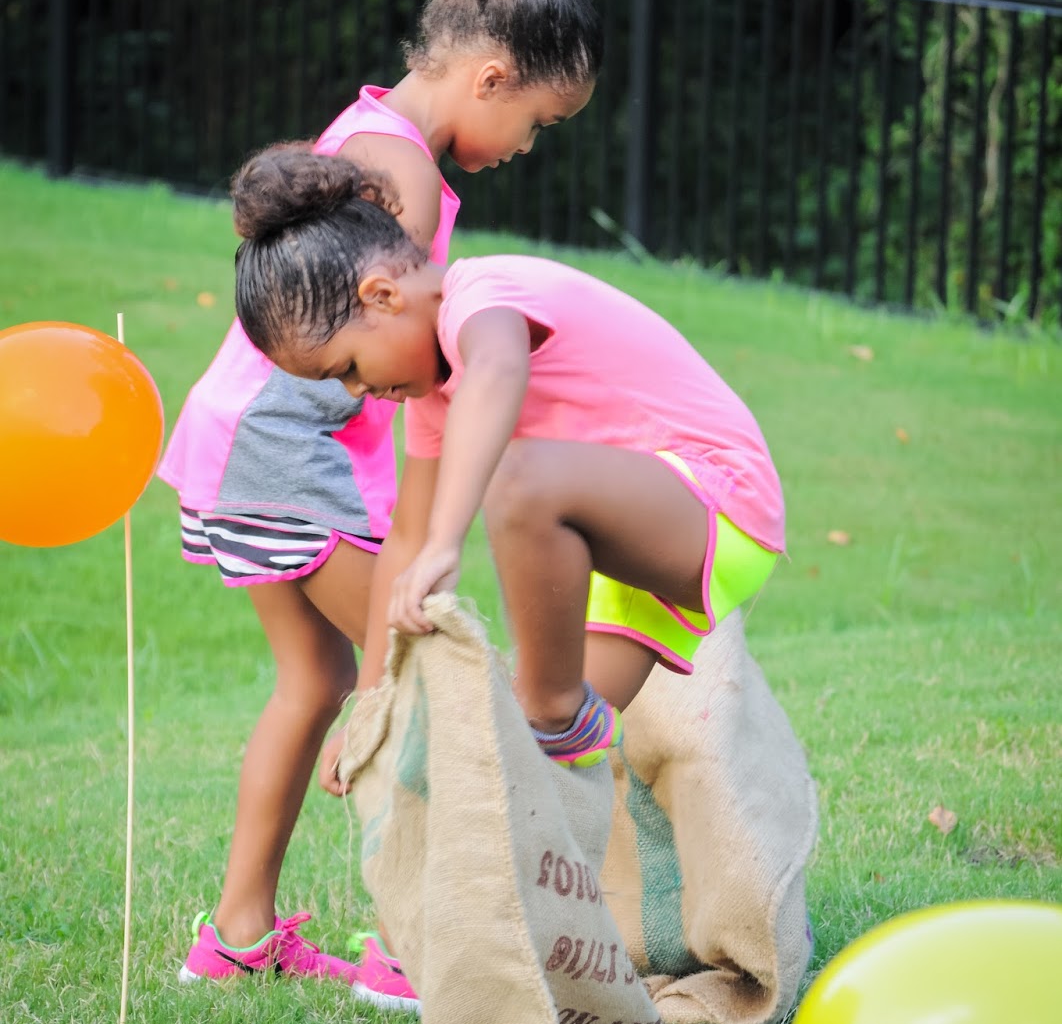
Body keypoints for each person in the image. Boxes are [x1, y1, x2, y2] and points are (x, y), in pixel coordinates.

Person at [156, 0, 602, 998]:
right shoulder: (397, 171)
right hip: (282, 454)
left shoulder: (377, 134)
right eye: (535, 121)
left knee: (319, 680)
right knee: (427, 681)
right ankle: (409, 949)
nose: (527, 144)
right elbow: (397, 352)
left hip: (235, 442)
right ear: (490, 77)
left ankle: (240, 934)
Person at [229, 157, 784, 773]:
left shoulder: (483, 297)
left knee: (518, 478)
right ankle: (569, 744)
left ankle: (555, 709)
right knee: (522, 770)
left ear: (382, 297)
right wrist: (372, 703)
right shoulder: (436, 395)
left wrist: (447, 543)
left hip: (716, 498)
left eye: (350, 368)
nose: (358, 392)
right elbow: (405, 538)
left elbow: (497, 372)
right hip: (629, 574)